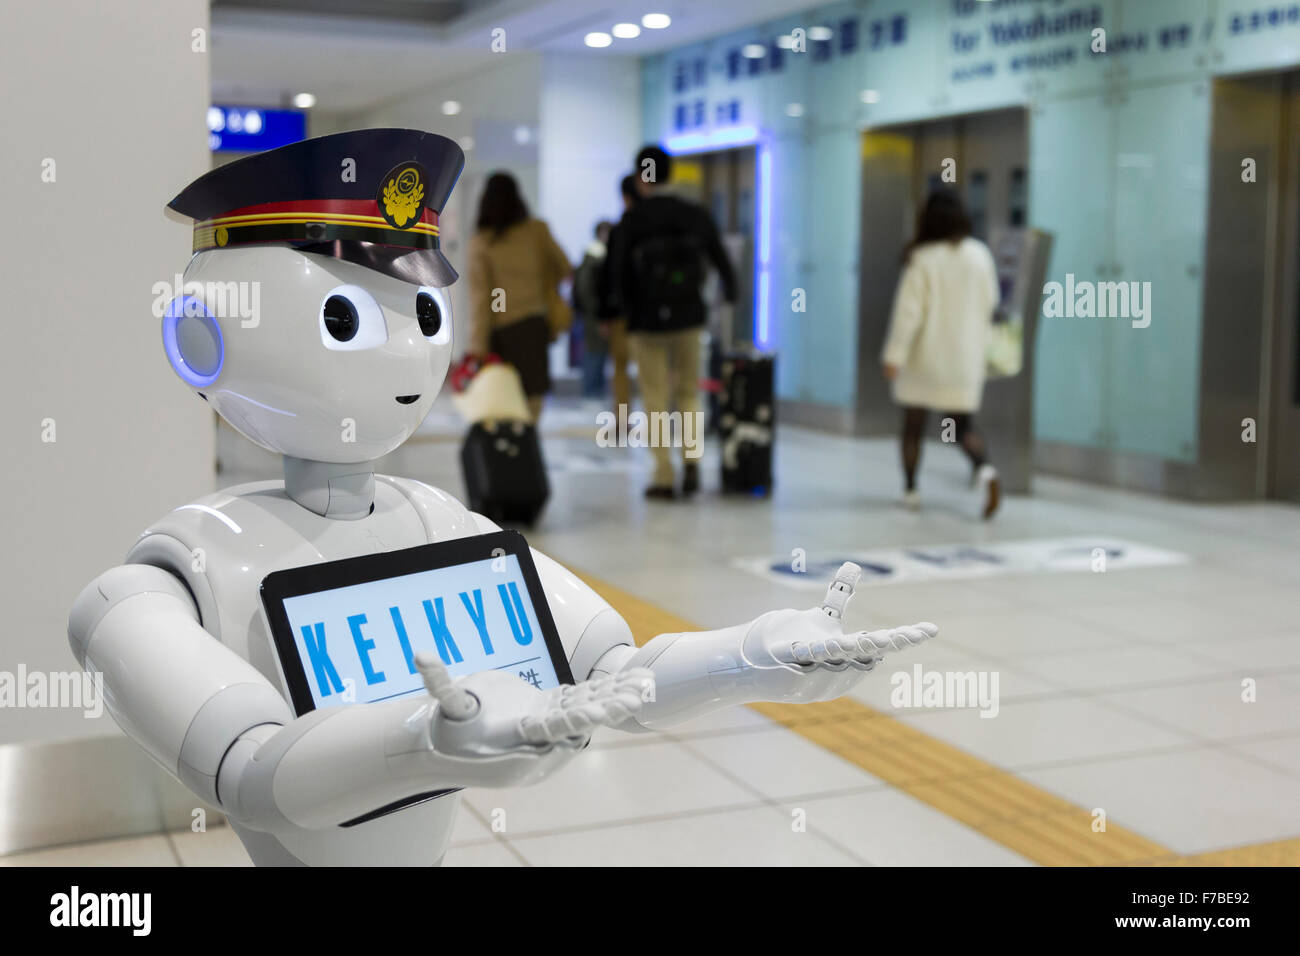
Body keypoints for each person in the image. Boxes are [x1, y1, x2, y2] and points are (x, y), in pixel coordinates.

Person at [612, 146, 737, 499]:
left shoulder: (633, 220)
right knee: (688, 393)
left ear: (641, 178)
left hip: (646, 323)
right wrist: (730, 291)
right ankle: (692, 461)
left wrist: (621, 312)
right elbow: (719, 257)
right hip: (689, 318)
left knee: (654, 398)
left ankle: (664, 475)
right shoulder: (693, 214)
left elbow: (617, 272)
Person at [880, 189, 1001, 519]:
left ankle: (911, 490)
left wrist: (895, 355)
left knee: (914, 426)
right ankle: (986, 469)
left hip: (925, 359)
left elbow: (909, 313)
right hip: (964, 359)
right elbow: (991, 303)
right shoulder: (979, 255)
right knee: (961, 427)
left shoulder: (922, 258)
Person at [467, 172, 571, 422]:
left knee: (503, 399)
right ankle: (527, 443)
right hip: (534, 326)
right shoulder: (537, 231)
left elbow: (483, 300)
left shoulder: (482, 242)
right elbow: (565, 267)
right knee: (533, 396)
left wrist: (478, 345)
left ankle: (510, 449)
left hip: (500, 332)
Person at [595, 175, 639, 425]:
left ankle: (622, 420)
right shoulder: (654, 225)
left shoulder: (620, 230)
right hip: (649, 315)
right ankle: (665, 422)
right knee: (652, 370)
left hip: (622, 313)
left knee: (621, 368)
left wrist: (604, 314)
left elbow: (608, 273)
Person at [572, 220, 613, 398]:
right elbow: (585, 288)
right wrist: (595, 311)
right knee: (594, 355)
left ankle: (596, 393)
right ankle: (591, 393)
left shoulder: (603, 255)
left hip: (601, 314)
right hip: (594, 315)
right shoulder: (594, 256)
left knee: (600, 356)